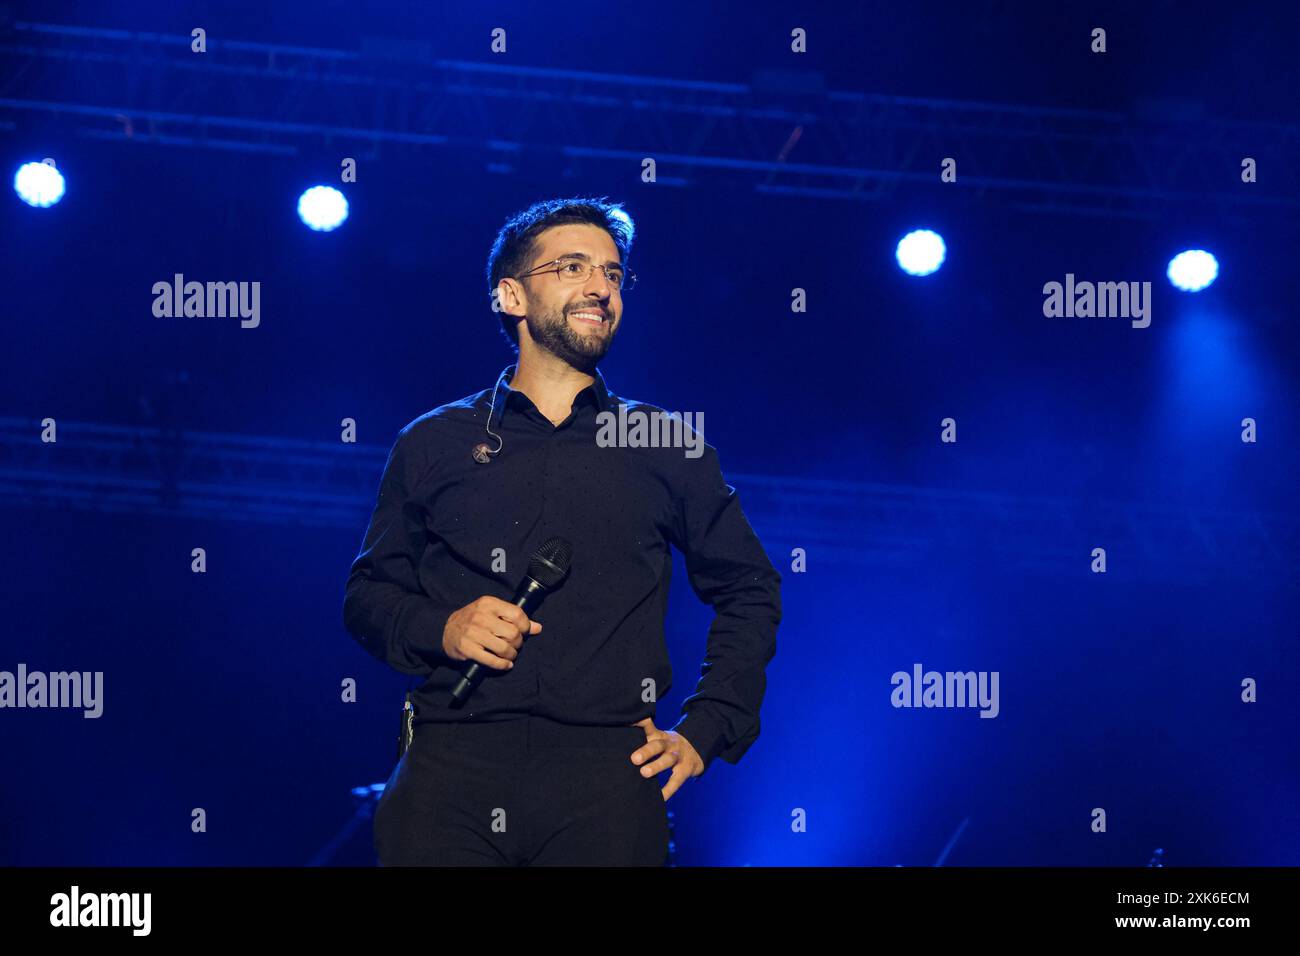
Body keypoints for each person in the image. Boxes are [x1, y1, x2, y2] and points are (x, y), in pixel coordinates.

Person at [343, 196, 781, 866]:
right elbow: (367, 598)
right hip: (452, 768)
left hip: (606, 778)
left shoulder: (662, 442)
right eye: (572, 267)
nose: (600, 288)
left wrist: (709, 726)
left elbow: (750, 588)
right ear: (512, 296)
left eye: (612, 273)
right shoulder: (433, 442)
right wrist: (445, 627)